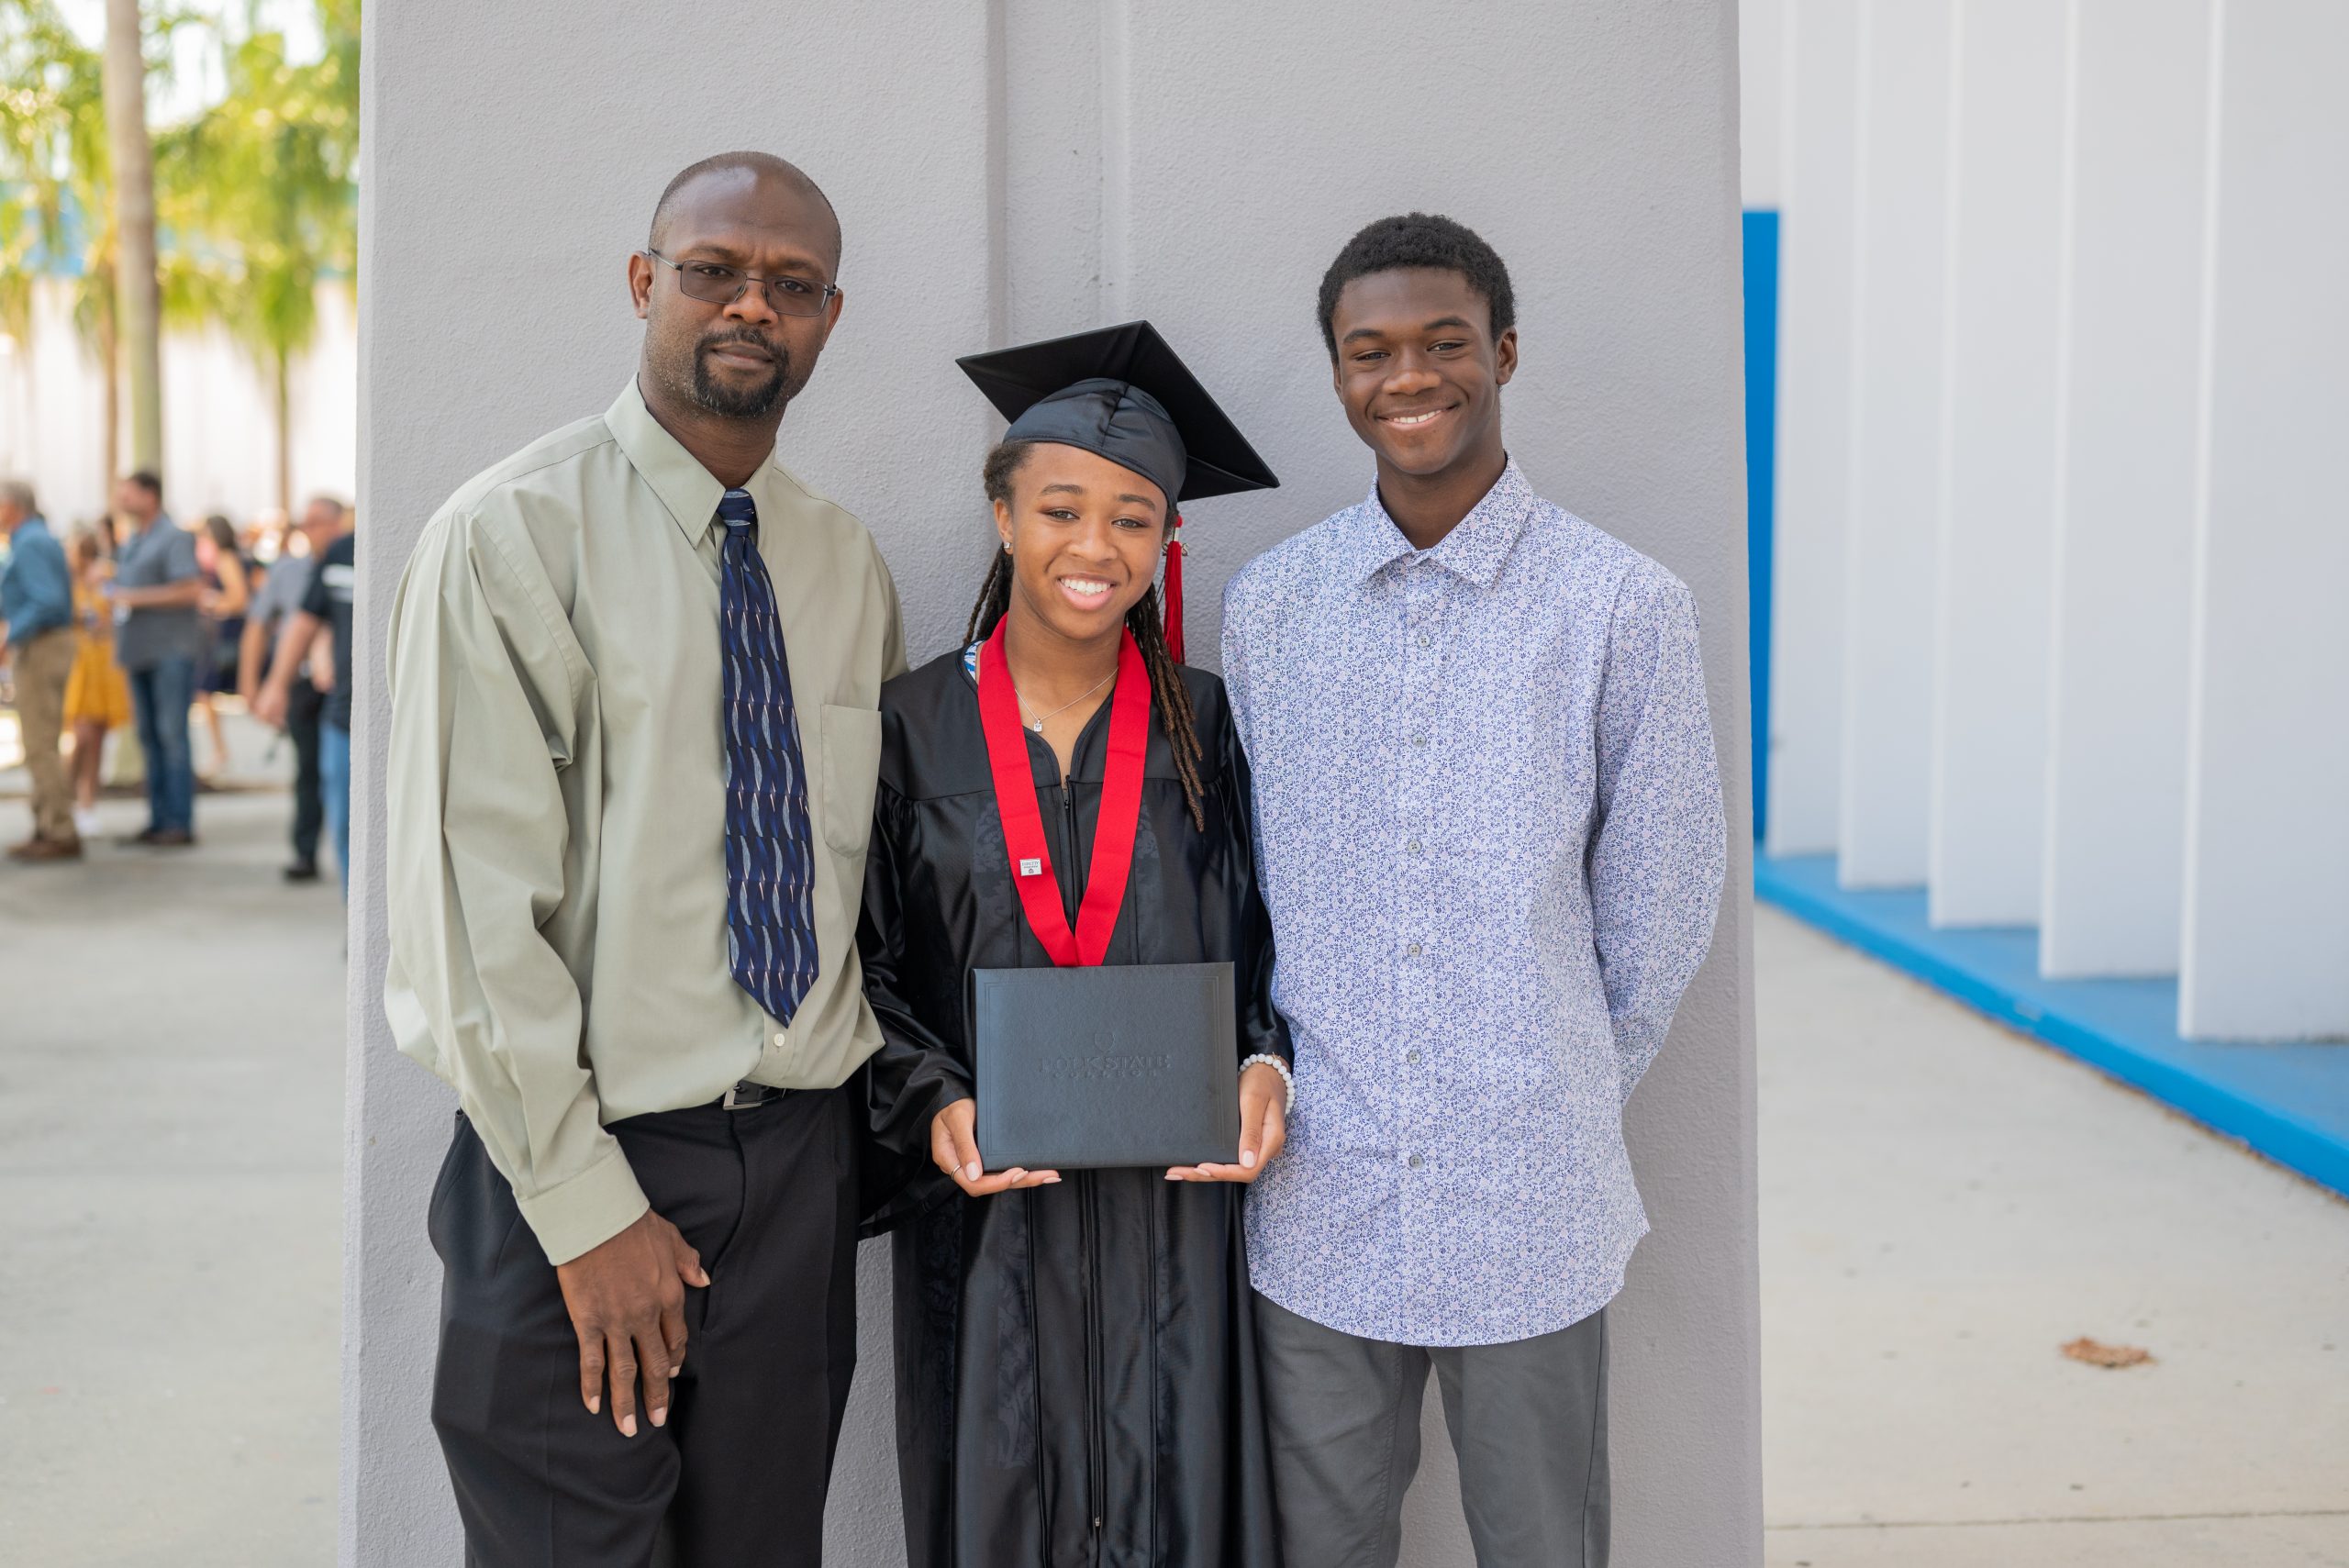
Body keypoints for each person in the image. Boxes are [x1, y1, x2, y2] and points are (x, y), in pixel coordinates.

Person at [380, 150, 902, 1568]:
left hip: (794, 1172)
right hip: (585, 1157)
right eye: (714, 270)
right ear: (643, 284)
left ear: (829, 318)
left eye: (790, 285)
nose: (751, 304)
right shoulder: (510, 537)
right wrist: (583, 1210)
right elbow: (470, 918)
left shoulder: (843, 565)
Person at [1220, 214, 1728, 1568]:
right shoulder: (1272, 608)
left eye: (1445, 342)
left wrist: (1548, 1087)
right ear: (1337, 374)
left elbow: (1663, 902)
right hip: (1319, 1193)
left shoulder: (1623, 607)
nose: (1409, 375)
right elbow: (1254, 892)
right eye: (1370, 350)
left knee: (1542, 1545)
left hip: (1533, 1199)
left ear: (1502, 352)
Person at [860, 321, 1292, 1568]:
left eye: (1133, 518)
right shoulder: (916, 727)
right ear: (1003, 517)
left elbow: (1273, 951)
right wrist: (929, 1098)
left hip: (1178, 1235)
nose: (1094, 547)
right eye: (1059, 508)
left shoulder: (1209, 727)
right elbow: (867, 971)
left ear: (1167, 546)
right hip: (989, 1231)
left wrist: (1265, 1069)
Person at [242, 495, 346, 880]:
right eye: (309, 522)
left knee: (338, 770)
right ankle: (305, 851)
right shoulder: (287, 571)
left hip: (341, 683)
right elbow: (257, 625)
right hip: (303, 683)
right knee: (308, 769)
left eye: (320, 521)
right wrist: (255, 684)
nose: (313, 529)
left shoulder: (349, 564)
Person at [106, 470, 205, 847]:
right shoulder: (133, 541)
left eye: (128, 493)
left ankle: (179, 822)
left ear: (151, 495)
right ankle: (159, 818)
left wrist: (133, 597)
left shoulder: (174, 537)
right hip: (139, 651)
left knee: (171, 734)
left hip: (170, 651)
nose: (122, 499)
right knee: (149, 736)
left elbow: (190, 589)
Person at [1, 478, 80, 860]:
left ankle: (59, 828)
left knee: (40, 743)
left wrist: (9, 635)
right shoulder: (30, 539)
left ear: (10, 506)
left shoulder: (30, 542)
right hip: (43, 643)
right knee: (39, 741)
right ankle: (47, 823)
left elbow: (46, 600)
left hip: (42, 646)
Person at [61, 525, 134, 840]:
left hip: (104, 662)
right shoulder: (64, 585)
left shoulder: (105, 579)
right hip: (79, 663)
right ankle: (63, 802)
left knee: (98, 739)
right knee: (80, 737)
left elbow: (118, 614)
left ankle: (87, 805)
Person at [193, 514, 251, 779]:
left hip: (228, 633)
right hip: (223, 632)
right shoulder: (222, 559)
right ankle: (220, 750)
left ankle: (220, 750)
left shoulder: (226, 559)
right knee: (207, 692)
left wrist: (213, 602)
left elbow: (239, 599)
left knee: (208, 690)